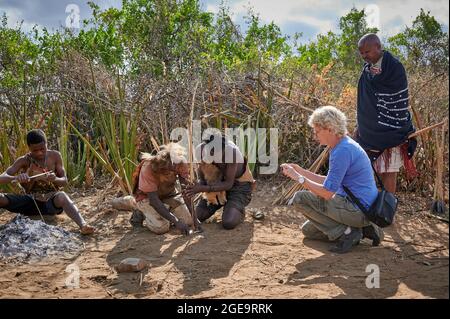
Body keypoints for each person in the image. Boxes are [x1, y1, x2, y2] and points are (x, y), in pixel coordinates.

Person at [281, 106, 383, 254]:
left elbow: (327, 193)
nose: (315, 136)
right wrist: (300, 170)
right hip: (359, 208)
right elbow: (329, 182)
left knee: (299, 199)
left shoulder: (342, 150)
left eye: (317, 131)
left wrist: (299, 178)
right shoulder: (342, 145)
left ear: (329, 129)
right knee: (308, 231)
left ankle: (349, 232)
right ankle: (362, 229)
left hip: (357, 209)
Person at [0, 129, 95, 235]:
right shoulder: (24, 160)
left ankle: (83, 225)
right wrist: (17, 177)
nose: (39, 152)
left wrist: (55, 179)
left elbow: (64, 181)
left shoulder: (55, 156)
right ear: (29, 148)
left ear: (47, 144)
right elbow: (2, 177)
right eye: (35, 150)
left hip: (51, 203)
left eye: (42, 149)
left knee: (62, 196)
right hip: (30, 203)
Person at [355, 33, 417, 193]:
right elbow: (364, 102)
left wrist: (381, 121)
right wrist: (360, 125)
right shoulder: (367, 71)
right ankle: (373, 210)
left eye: (367, 52)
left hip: (392, 129)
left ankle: (386, 211)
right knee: (369, 171)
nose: (364, 56)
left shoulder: (394, 67)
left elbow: (397, 99)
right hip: (369, 132)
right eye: (361, 53)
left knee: (389, 171)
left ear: (378, 47)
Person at [184, 133, 255, 230]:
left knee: (228, 222)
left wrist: (202, 188)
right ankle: (226, 205)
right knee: (196, 216)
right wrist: (194, 188)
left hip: (238, 187)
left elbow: (228, 184)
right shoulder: (200, 151)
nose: (212, 155)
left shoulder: (232, 153)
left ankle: (236, 208)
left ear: (223, 150)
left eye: (215, 153)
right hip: (214, 185)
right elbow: (203, 179)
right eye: (210, 152)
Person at [129, 143, 194, 235]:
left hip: (168, 194)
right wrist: (176, 221)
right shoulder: (148, 167)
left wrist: (194, 218)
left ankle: (165, 209)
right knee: (161, 228)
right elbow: (154, 200)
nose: (174, 170)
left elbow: (185, 190)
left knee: (189, 220)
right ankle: (139, 209)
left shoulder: (180, 162)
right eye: (168, 169)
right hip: (147, 197)